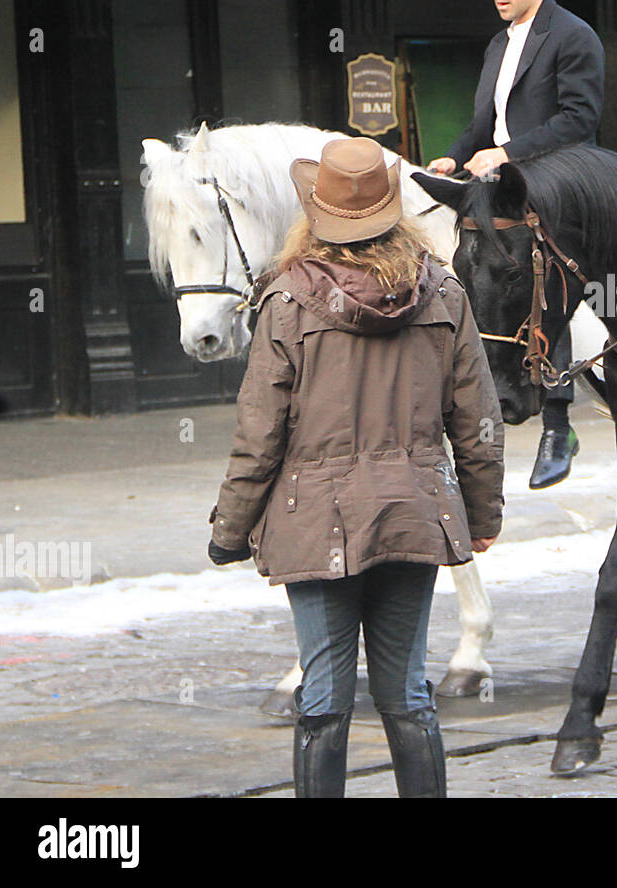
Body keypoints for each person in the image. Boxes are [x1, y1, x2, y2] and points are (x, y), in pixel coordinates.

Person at [208, 136, 504, 798]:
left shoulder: (286, 303)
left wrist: (230, 530)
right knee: (406, 690)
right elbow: (478, 424)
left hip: (314, 523)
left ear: (317, 215)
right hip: (414, 516)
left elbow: (260, 434)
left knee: (324, 694)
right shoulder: (445, 293)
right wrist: (482, 517)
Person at [427, 0, 605, 490]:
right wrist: (453, 160)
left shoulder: (574, 36)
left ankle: (558, 422)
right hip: (500, 183)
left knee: (539, 274)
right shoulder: (500, 44)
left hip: (558, 182)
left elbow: (578, 121)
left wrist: (506, 153)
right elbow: (482, 127)